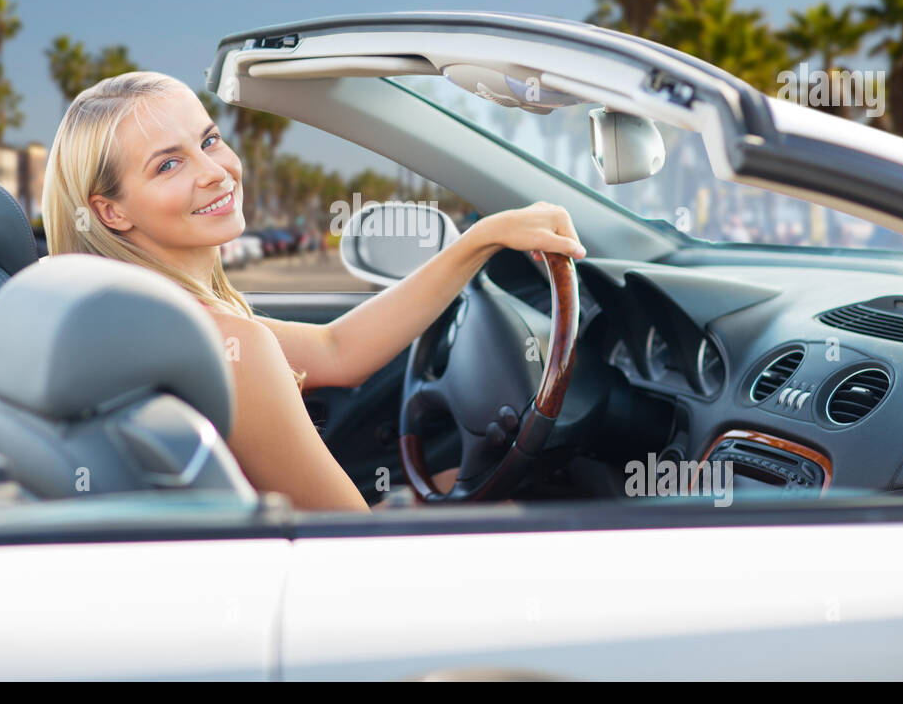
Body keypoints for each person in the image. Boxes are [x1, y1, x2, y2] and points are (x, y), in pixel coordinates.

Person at [42, 72, 586, 512]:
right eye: (168, 164)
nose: (217, 172)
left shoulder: (151, 320)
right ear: (110, 211)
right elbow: (351, 548)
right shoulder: (227, 344)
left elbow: (337, 352)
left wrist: (480, 240)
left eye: (209, 139)